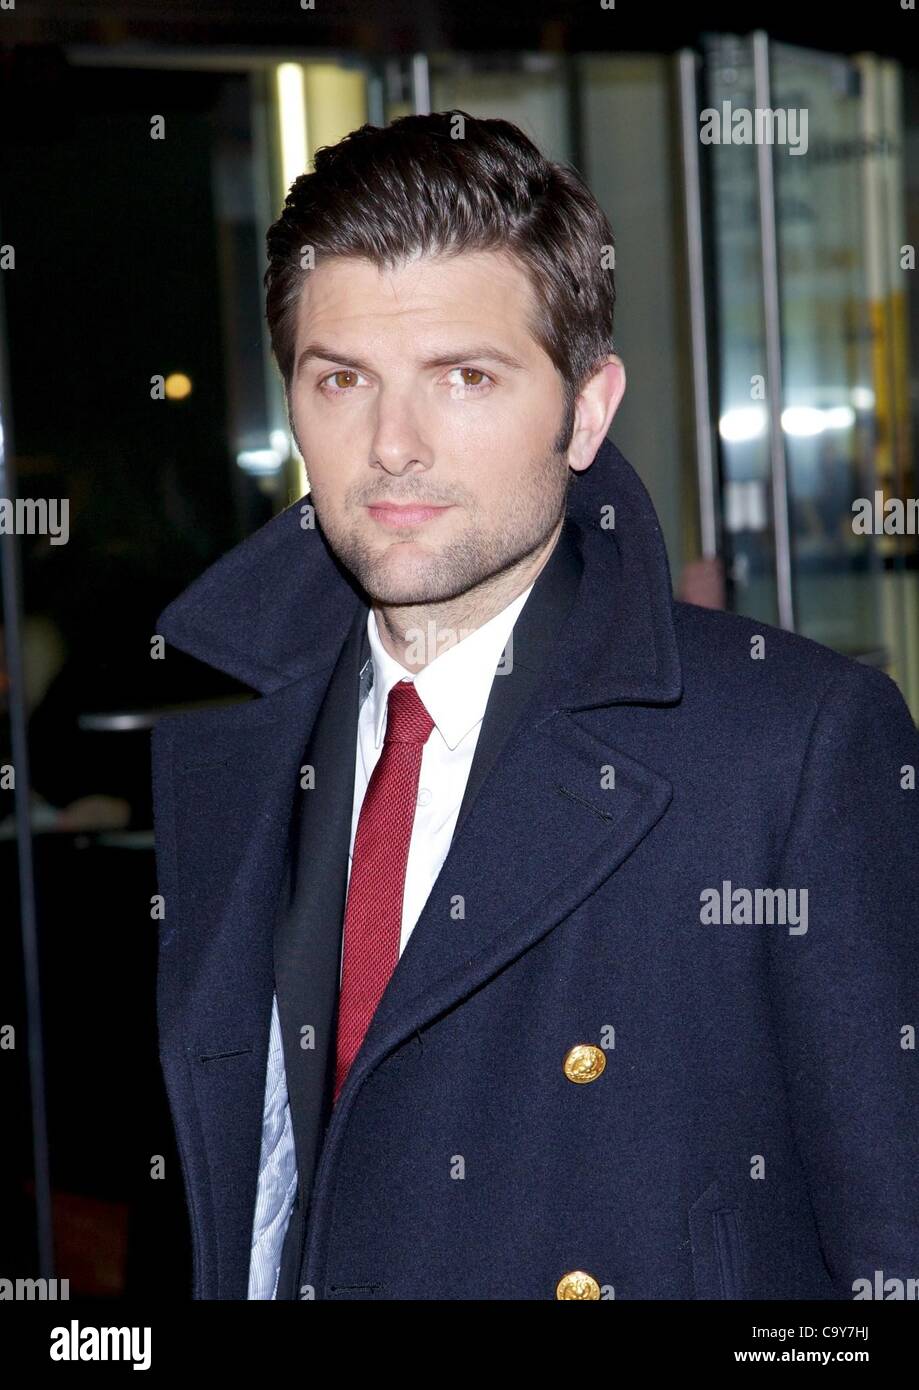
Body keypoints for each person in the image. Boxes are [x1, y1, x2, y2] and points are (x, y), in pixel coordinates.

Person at [151, 111, 919, 1302]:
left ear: (588, 410)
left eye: (466, 377)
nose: (391, 446)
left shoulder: (790, 745)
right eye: (342, 378)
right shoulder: (234, 748)